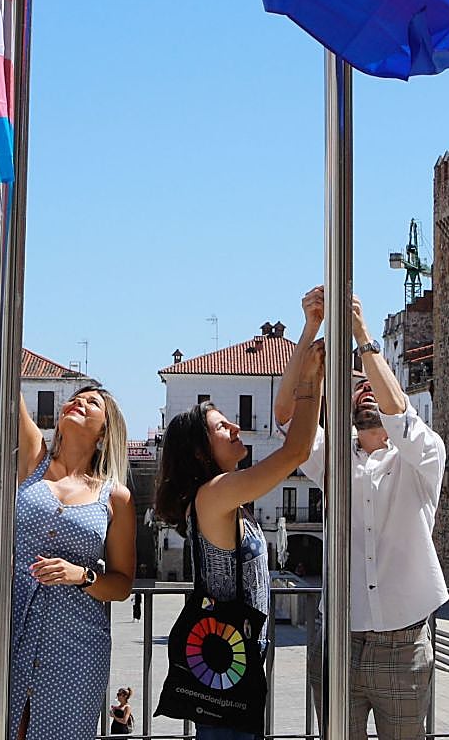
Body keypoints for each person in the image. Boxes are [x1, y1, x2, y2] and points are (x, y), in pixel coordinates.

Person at [274, 289, 447, 740]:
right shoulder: (331, 456)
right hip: (338, 640)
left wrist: (363, 336)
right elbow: (286, 418)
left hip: (403, 644)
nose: (367, 392)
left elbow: (401, 415)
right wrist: (311, 329)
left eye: (376, 384)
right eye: (359, 387)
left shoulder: (423, 456)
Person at [154, 290, 327, 740]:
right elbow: (297, 450)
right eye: (221, 427)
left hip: (235, 658)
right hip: (225, 663)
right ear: (199, 451)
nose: (235, 427)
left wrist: (309, 337)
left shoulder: (224, 496)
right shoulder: (213, 494)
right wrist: (312, 381)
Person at [0, 384, 135, 740]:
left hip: (77, 641)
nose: (79, 402)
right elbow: (8, 398)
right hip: (8, 625)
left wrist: (82, 575)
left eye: (92, 403)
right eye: (75, 399)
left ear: (105, 430)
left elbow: (122, 584)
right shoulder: (33, 460)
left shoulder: (116, 497)